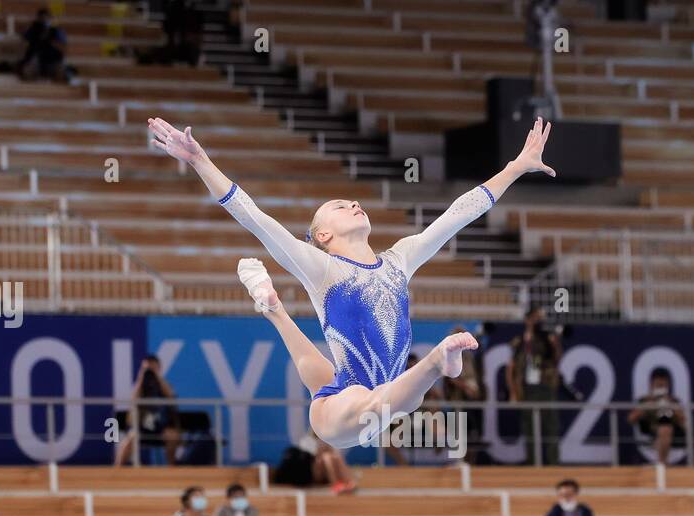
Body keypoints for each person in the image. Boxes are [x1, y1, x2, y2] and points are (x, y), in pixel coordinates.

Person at [149, 113, 556, 450]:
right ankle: (436, 361)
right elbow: (254, 217)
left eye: (355, 201)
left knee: (338, 383)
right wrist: (200, 160)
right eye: (341, 207)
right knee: (375, 400)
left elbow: (457, 214)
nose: (355, 204)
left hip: (360, 395)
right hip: (347, 410)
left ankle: (272, 307)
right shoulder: (319, 267)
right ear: (323, 236)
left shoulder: (399, 261)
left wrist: (516, 167)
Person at [626, 366, 694, 466]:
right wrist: (650, 403)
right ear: (651, 385)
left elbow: (683, 419)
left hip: (678, 432)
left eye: (664, 385)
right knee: (665, 429)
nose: (661, 387)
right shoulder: (644, 401)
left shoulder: (674, 401)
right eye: (658, 385)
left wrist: (670, 404)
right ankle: (662, 465)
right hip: (657, 433)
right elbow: (631, 419)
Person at [507, 306, 563, 464]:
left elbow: (556, 359)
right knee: (529, 428)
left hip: (545, 387)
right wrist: (513, 392)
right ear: (528, 319)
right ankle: (532, 462)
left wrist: (554, 342)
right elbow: (511, 368)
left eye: (542, 318)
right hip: (526, 389)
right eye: (536, 317)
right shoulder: (519, 341)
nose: (540, 321)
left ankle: (553, 463)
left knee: (551, 426)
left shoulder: (547, 338)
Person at [115, 355, 181, 466]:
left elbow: (171, 396)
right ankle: (117, 470)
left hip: (162, 426)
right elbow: (133, 400)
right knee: (131, 438)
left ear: (159, 368)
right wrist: (141, 377)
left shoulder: (164, 385)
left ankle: (172, 468)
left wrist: (157, 376)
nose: (150, 371)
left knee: (172, 436)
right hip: (142, 426)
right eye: (147, 368)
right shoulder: (140, 387)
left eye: (153, 368)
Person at [441, 325, 484, 463]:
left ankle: (469, 464)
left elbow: (476, 377)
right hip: (459, 400)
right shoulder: (449, 355)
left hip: (472, 401)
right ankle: (459, 462)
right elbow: (450, 378)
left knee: (473, 434)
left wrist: (476, 391)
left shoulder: (470, 357)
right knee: (460, 432)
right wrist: (466, 387)